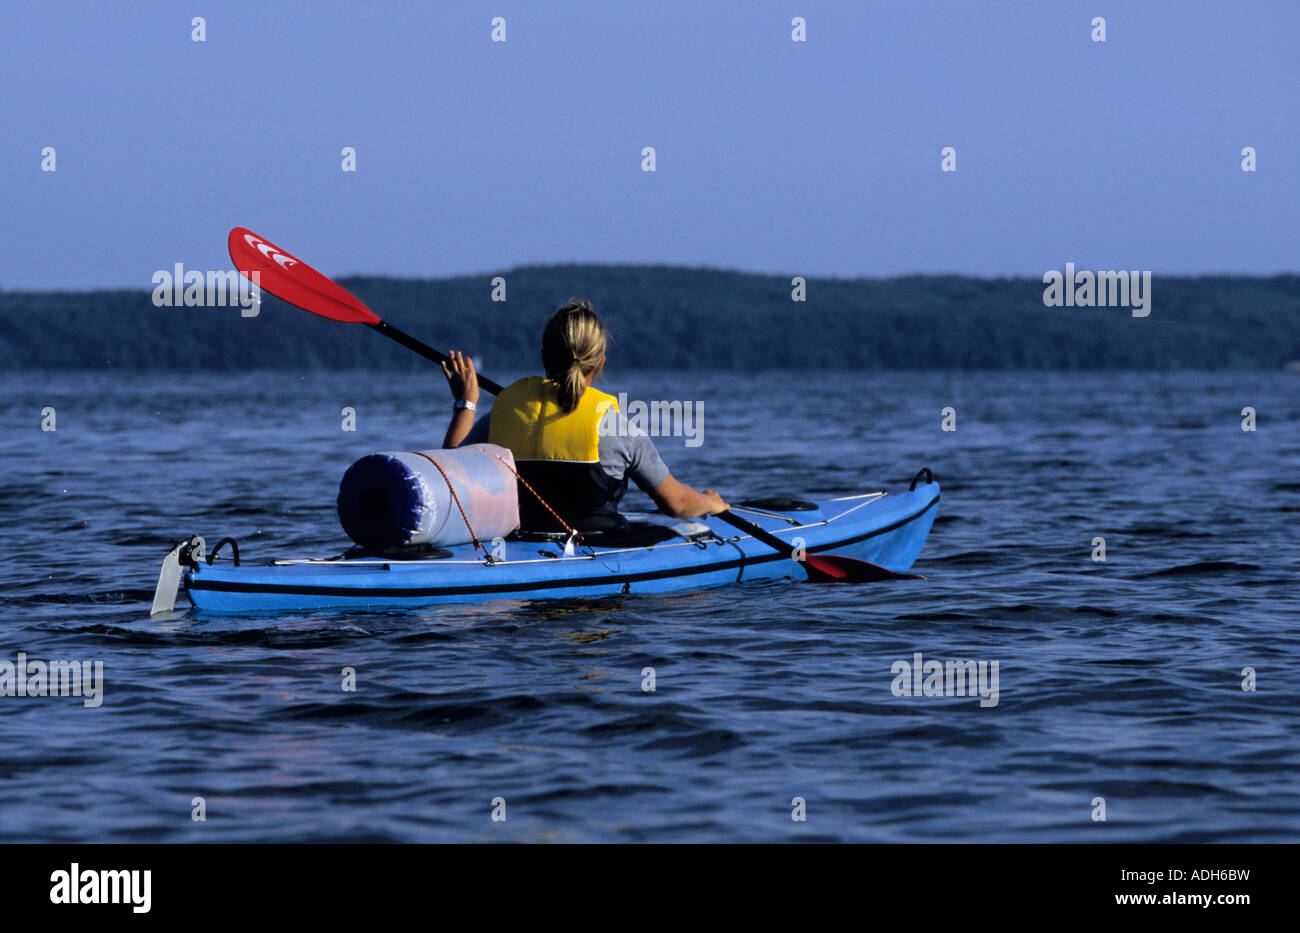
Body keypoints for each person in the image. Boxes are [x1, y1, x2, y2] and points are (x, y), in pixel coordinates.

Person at [440, 300, 727, 533]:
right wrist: (710, 503)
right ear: (600, 362)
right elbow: (676, 504)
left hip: (522, 544)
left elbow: (451, 474)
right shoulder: (616, 428)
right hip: (602, 561)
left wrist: (465, 402)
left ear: (544, 358)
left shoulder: (504, 414)